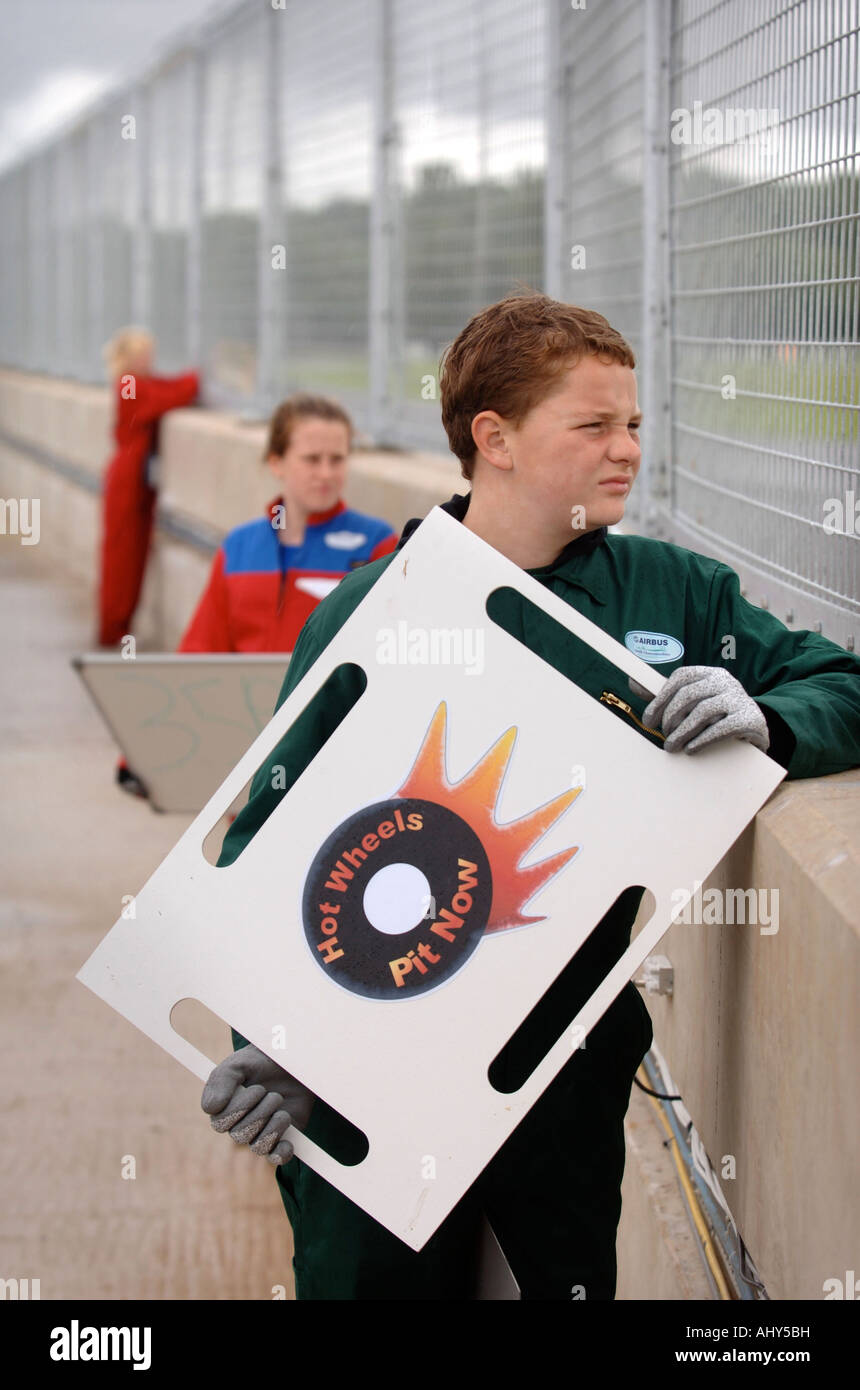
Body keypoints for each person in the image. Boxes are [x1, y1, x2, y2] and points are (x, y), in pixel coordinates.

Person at [199, 292, 860, 1300]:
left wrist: (766, 719)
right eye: (593, 424)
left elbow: (841, 683)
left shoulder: (671, 595)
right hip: (368, 1063)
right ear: (493, 438)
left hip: (558, 1071)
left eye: (634, 423)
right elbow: (268, 841)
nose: (627, 449)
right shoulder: (378, 606)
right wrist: (271, 1046)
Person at [177, 393, 397, 654]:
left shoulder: (379, 545)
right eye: (312, 459)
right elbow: (200, 655)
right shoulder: (237, 547)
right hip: (246, 694)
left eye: (337, 459)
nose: (326, 473)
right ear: (276, 463)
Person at [98, 327, 199, 648]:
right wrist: (194, 381)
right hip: (127, 481)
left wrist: (191, 377)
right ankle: (112, 628)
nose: (149, 361)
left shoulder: (139, 382)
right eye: (142, 355)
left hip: (138, 480)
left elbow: (166, 387)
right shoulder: (128, 384)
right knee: (121, 556)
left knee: (135, 555)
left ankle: (119, 624)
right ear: (128, 358)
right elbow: (167, 397)